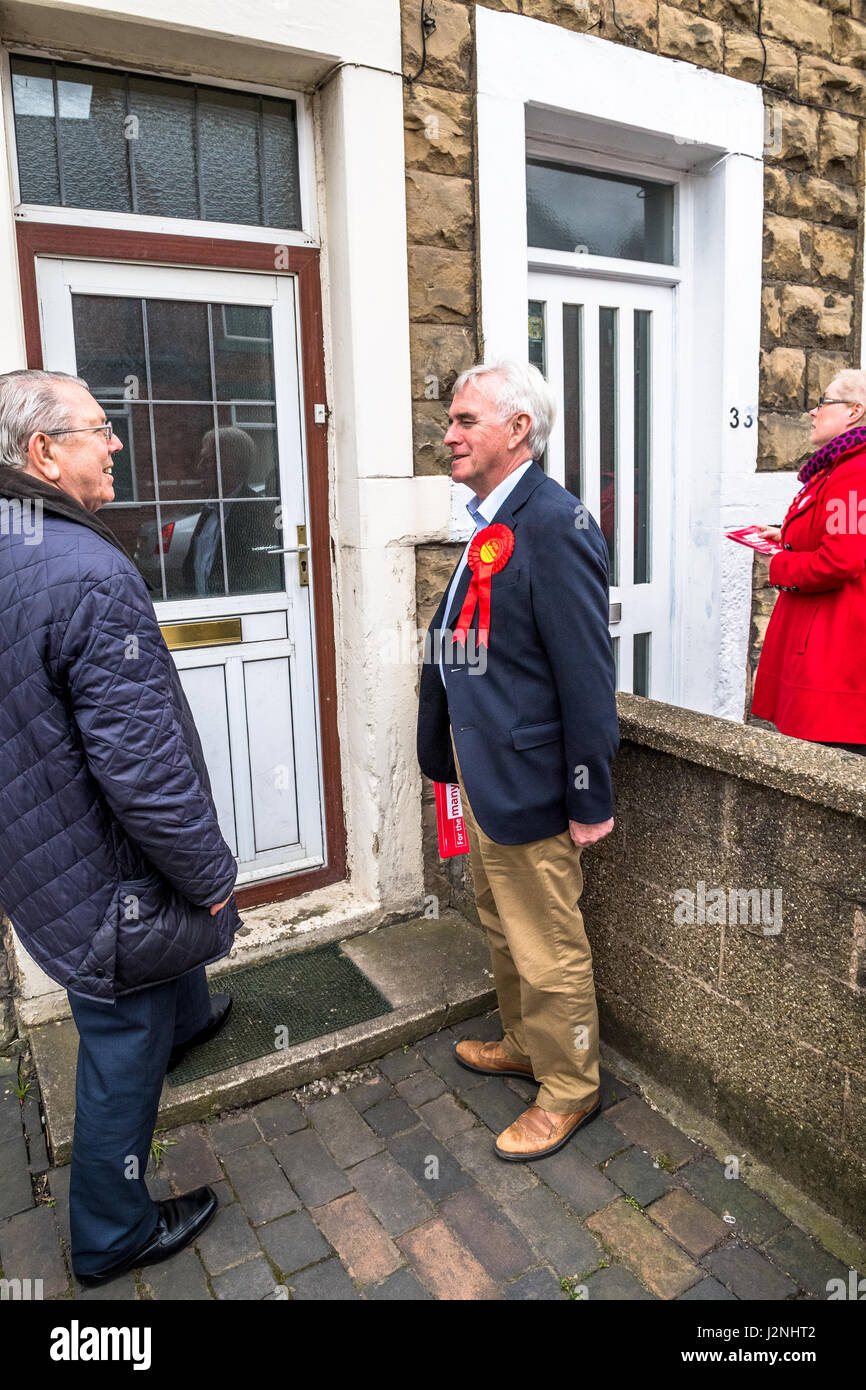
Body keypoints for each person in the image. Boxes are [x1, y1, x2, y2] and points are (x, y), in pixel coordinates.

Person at [0, 369, 240, 1286]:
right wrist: (214, 874)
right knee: (115, 1046)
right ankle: (111, 1230)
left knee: (146, 1000)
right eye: (100, 429)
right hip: (103, 879)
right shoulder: (88, 570)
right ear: (43, 454)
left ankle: (180, 1023)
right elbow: (144, 775)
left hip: (39, 857)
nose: (116, 444)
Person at [417, 361, 619, 1161]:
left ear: (518, 429)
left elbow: (585, 675)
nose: (451, 434)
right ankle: (526, 1045)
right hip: (483, 771)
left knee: (547, 943)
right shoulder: (488, 520)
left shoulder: (555, 522)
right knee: (502, 925)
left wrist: (588, 794)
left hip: (535, 782)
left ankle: (572, 1087)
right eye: (452, 420)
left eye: (467, 420)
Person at [752, 369, 866, 754]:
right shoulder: (839, 467)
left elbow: (841, 560)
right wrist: (787, 537)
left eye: (824, 402)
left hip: (835, 662)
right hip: (824, 650)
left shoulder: (855, 471)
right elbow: (837, 533)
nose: (813, 412)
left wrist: (780, 565)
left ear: (855, 411)